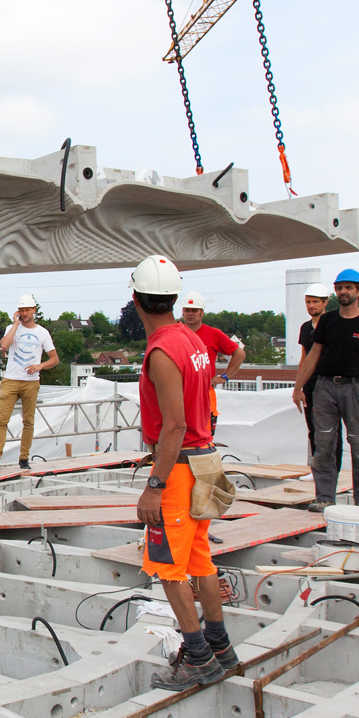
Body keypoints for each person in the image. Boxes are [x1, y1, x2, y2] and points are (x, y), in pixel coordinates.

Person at [127, 256, 239, 690]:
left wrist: (154, 486)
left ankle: (198, 658)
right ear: (173, 298)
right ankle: (221, 648)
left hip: (179, 469)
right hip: (206, 459)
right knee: (200, 561)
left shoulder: (161, 351)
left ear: (136, 300)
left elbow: (173, 425)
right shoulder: (192, 340)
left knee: (168, 568)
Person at [292, 268, 359, 509]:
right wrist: (298, 387)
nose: (343, 292)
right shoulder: (328, 321)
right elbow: (313, 355)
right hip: (326, 387)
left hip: (356, 389)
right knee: (323, 444)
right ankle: (325, 498)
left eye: (348, 287)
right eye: (339, 287)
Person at [0, 294, 58, 469]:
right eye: (22, 310)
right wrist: (16, 324)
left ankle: (24, 458)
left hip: (31, 381)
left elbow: (54, 359)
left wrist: (40, 366)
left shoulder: (42, 333)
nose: (25, 313)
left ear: (34, 310)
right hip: (11, 379)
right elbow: (4, 345)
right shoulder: (12, 328)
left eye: (27, 310)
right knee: (2, 420)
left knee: (28, 421)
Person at [179, 291, 246, 433]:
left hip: (204, 393)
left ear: (201, 313)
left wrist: (225, 376)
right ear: (183, 312)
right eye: (187, 310)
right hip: (180, 392)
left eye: (194, 310)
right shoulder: (176, 333)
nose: (190, 314)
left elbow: (239, 354)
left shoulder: (213, 334)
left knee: (204, 435)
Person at [295, 282, 335, 462]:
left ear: (325, 302)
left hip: (329, 382)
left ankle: (332, 467)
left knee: (331, 429)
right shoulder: (305, 328)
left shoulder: (333, 324)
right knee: (313, 426)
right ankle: (317, 466)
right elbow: (304, 359)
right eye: (308, 302)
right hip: (311, 384)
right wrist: (298, 387)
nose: (311, 305)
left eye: (315, 302)